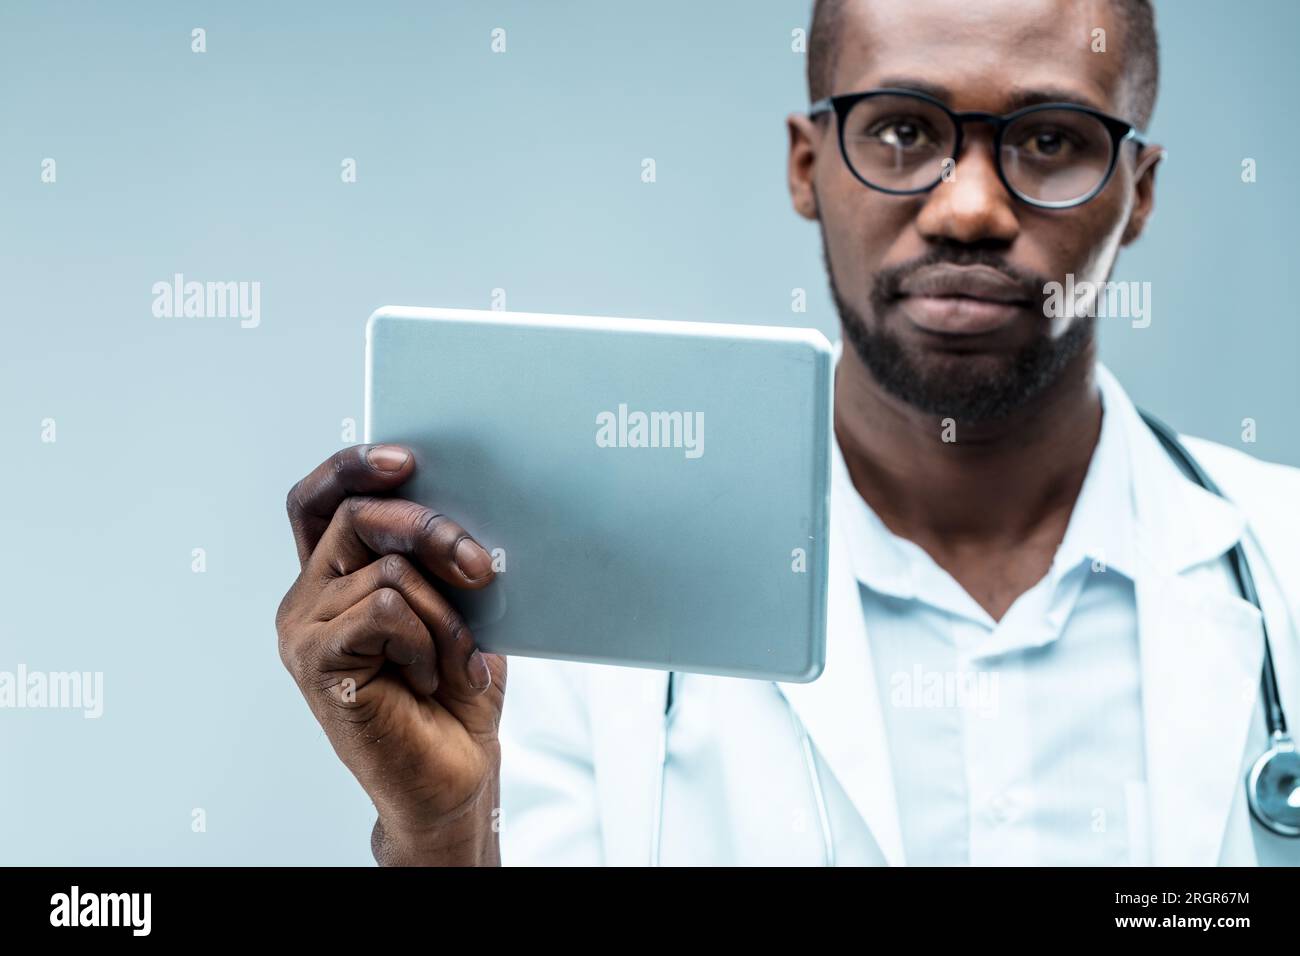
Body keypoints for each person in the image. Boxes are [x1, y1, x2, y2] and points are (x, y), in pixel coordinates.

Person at [274, 0, 1300, 865]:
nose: (972, 208)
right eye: (902, 129)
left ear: (1140, 194)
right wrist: (444, 834)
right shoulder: (576, 616)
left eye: (1048, 139)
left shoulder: (1283, 561)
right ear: (807, 165)